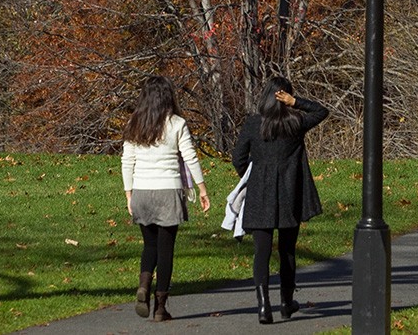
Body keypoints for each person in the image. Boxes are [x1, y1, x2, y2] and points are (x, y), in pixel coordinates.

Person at [231, 77, 329, 324]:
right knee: (287, 251)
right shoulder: (295, 122)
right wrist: (296, 102)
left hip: (260, 193)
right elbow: (321, 111)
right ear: (285, 98)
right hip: (289, 192)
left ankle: (264, 306)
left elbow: (238, 157)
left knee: (261, 253)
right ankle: (286, 302)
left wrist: (250, 177)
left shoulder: (254, 124)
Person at [121, 76, 211, 322]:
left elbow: (127, 160)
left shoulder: (134, 123)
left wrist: (129, 193)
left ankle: (144, 282)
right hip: (168, 191)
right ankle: (160, 307)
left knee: (149, 245)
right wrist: (202, 189)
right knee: (166, 249)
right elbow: (190, 157)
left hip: (141, 190)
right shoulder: (177, 123)